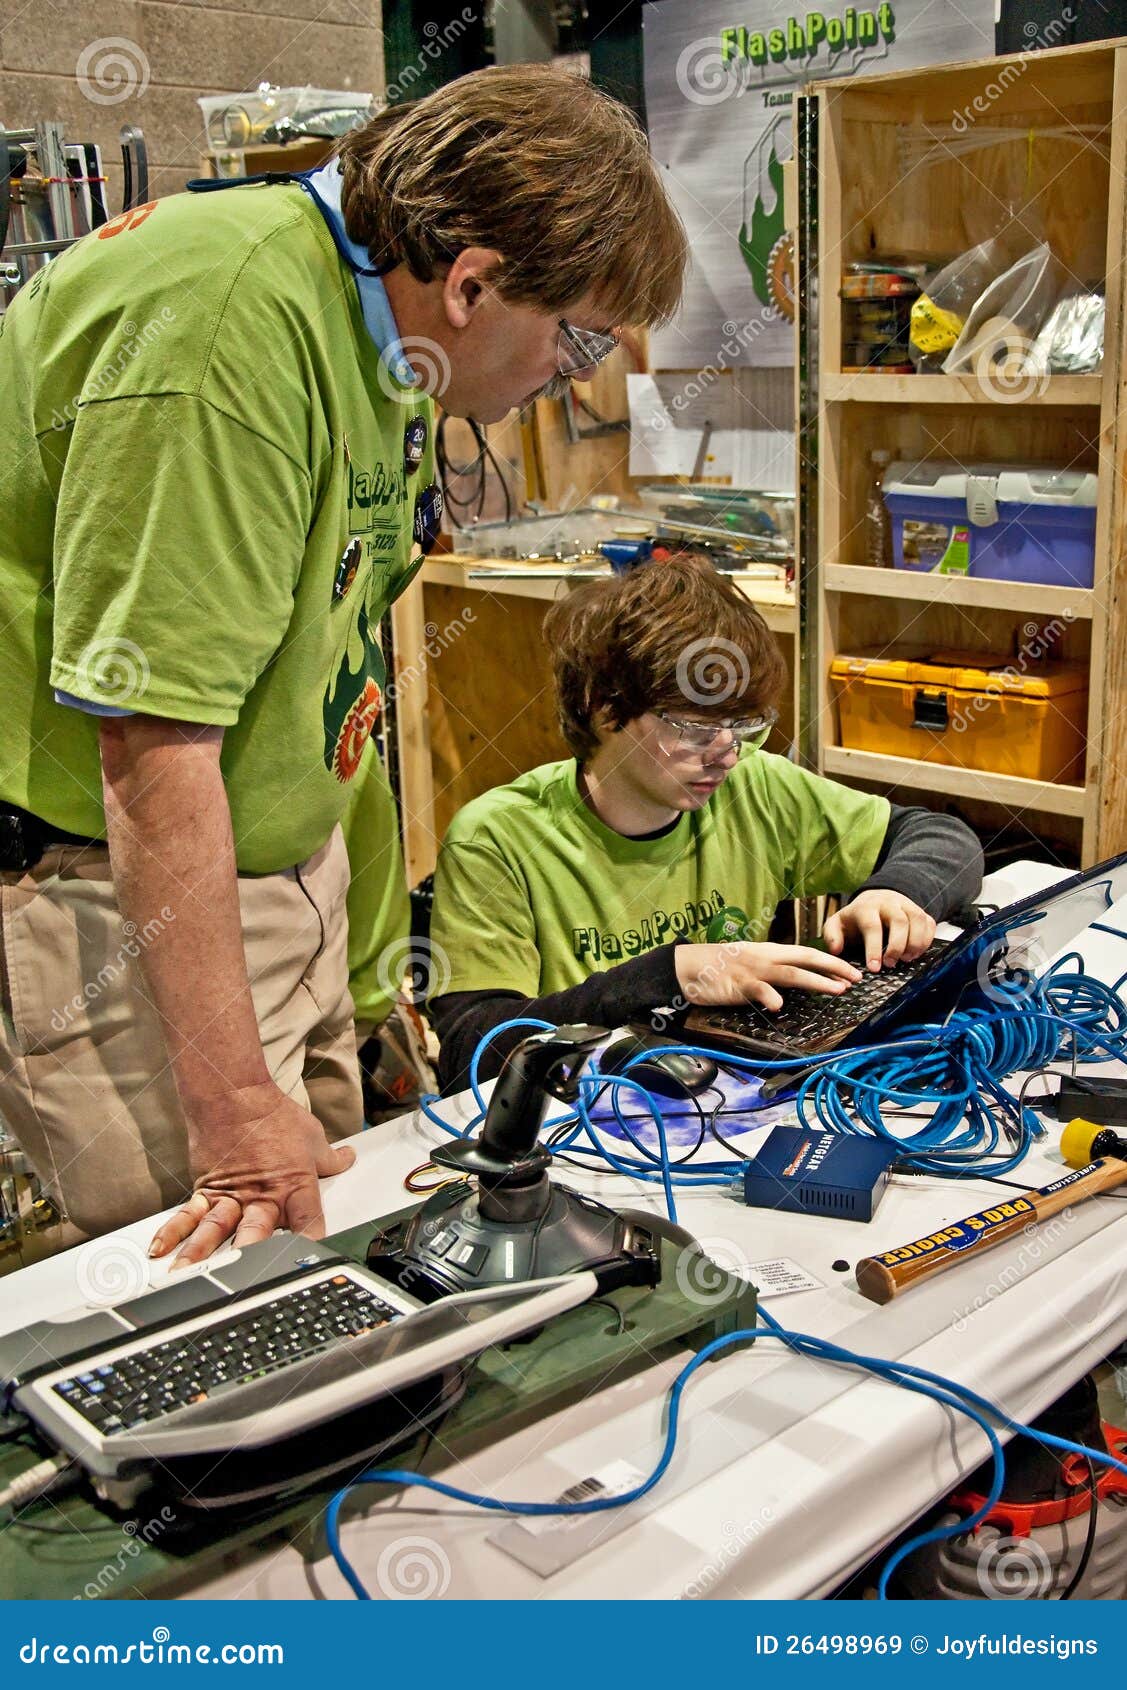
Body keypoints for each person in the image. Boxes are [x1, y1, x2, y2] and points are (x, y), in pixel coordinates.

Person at [0, 66, 687, 1264]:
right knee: (219, 1318)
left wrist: (368, 967)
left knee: (341, 1276)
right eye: (575, 336)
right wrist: (227, 1110)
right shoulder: (227, 331)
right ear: (471, 280)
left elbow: (337, 664)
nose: (576, 376)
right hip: (114, 898)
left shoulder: (386, 336)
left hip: (280, 885)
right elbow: (153, 744)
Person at [428, 557, 984, 1090]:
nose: (727, 754)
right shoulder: (497, 840)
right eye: (695, 728)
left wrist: (898, 891)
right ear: (604, 709)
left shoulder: (755, 786)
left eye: (743, 725)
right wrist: (668, 976)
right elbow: (471, 1052)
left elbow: (944, 838)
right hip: (576, 1126)